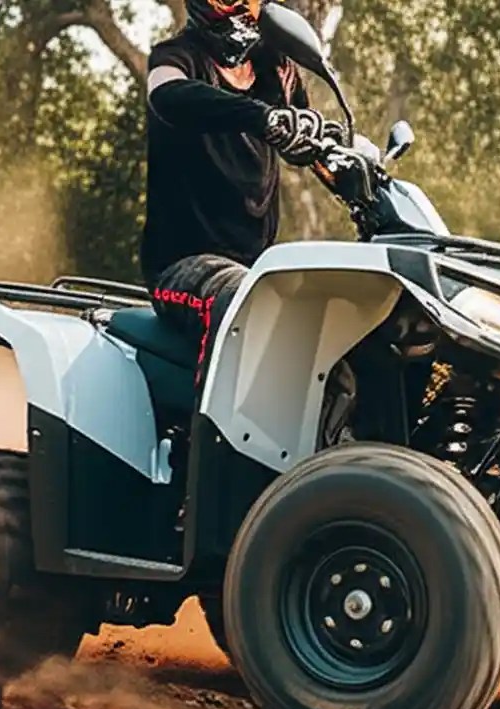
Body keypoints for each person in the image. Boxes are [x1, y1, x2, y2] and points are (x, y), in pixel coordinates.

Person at [142, 0, 355, 445]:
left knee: (339, 318)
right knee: (243, 302)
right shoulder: (176, 58)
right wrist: (260, 117)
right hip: (183, 267)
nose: (240, 3)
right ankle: (209, 469)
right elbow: (167, 94)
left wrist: (344, 163)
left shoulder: (275, 67)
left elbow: (313, 145)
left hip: (260, 269)